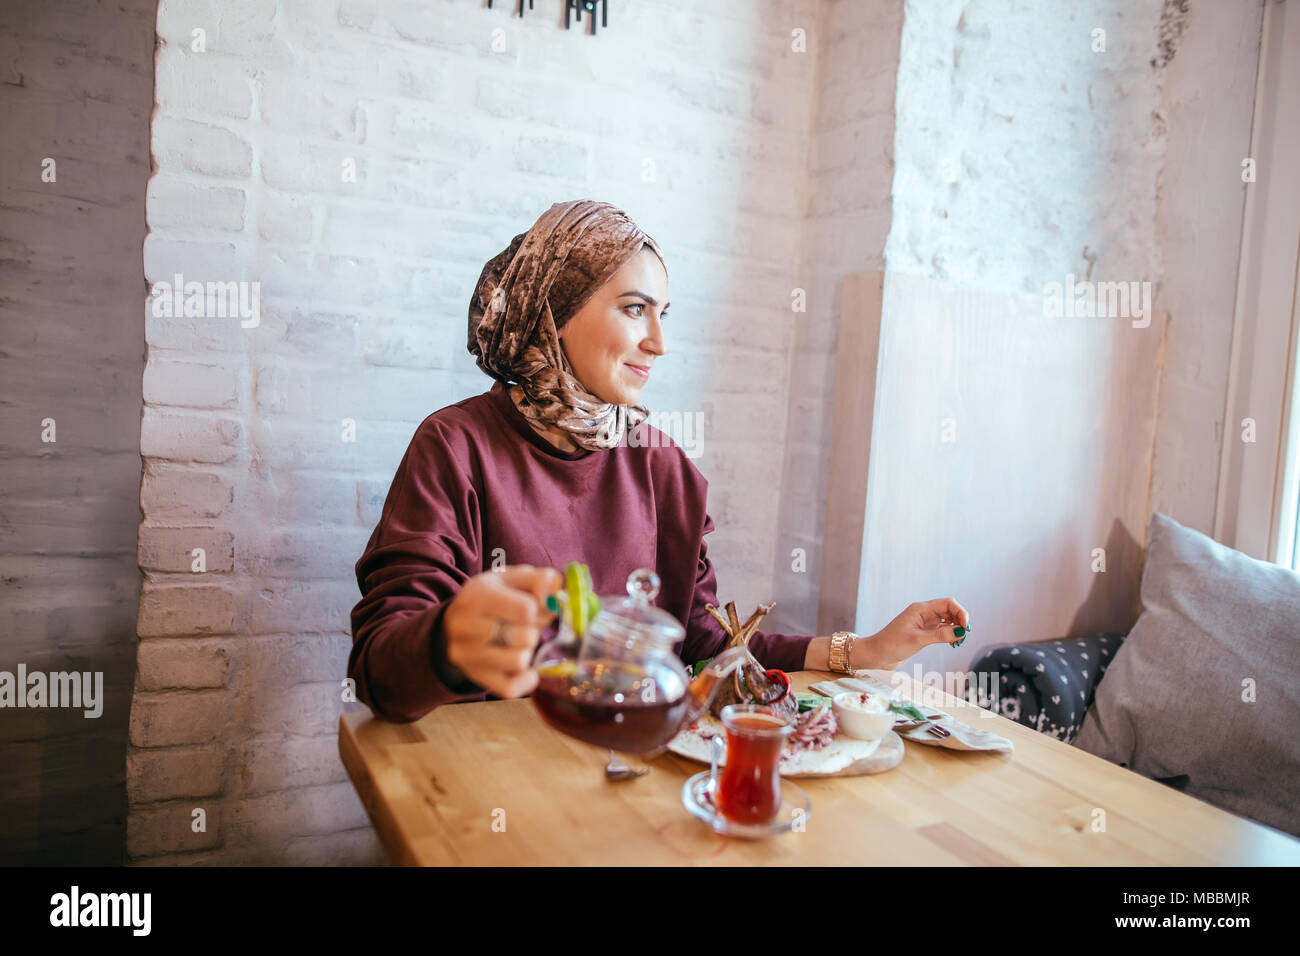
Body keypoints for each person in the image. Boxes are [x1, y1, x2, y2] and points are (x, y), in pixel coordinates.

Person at [348, 199, 969, 723]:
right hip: (499, 796)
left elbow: (702, 645)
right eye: (634, 308)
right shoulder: (455, 447)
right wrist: (447, 644)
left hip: (629, 778)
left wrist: (862, 650)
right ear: (554, 312)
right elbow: (378, 671)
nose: (659, 343)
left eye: (663, 315)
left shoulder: (658, 463)